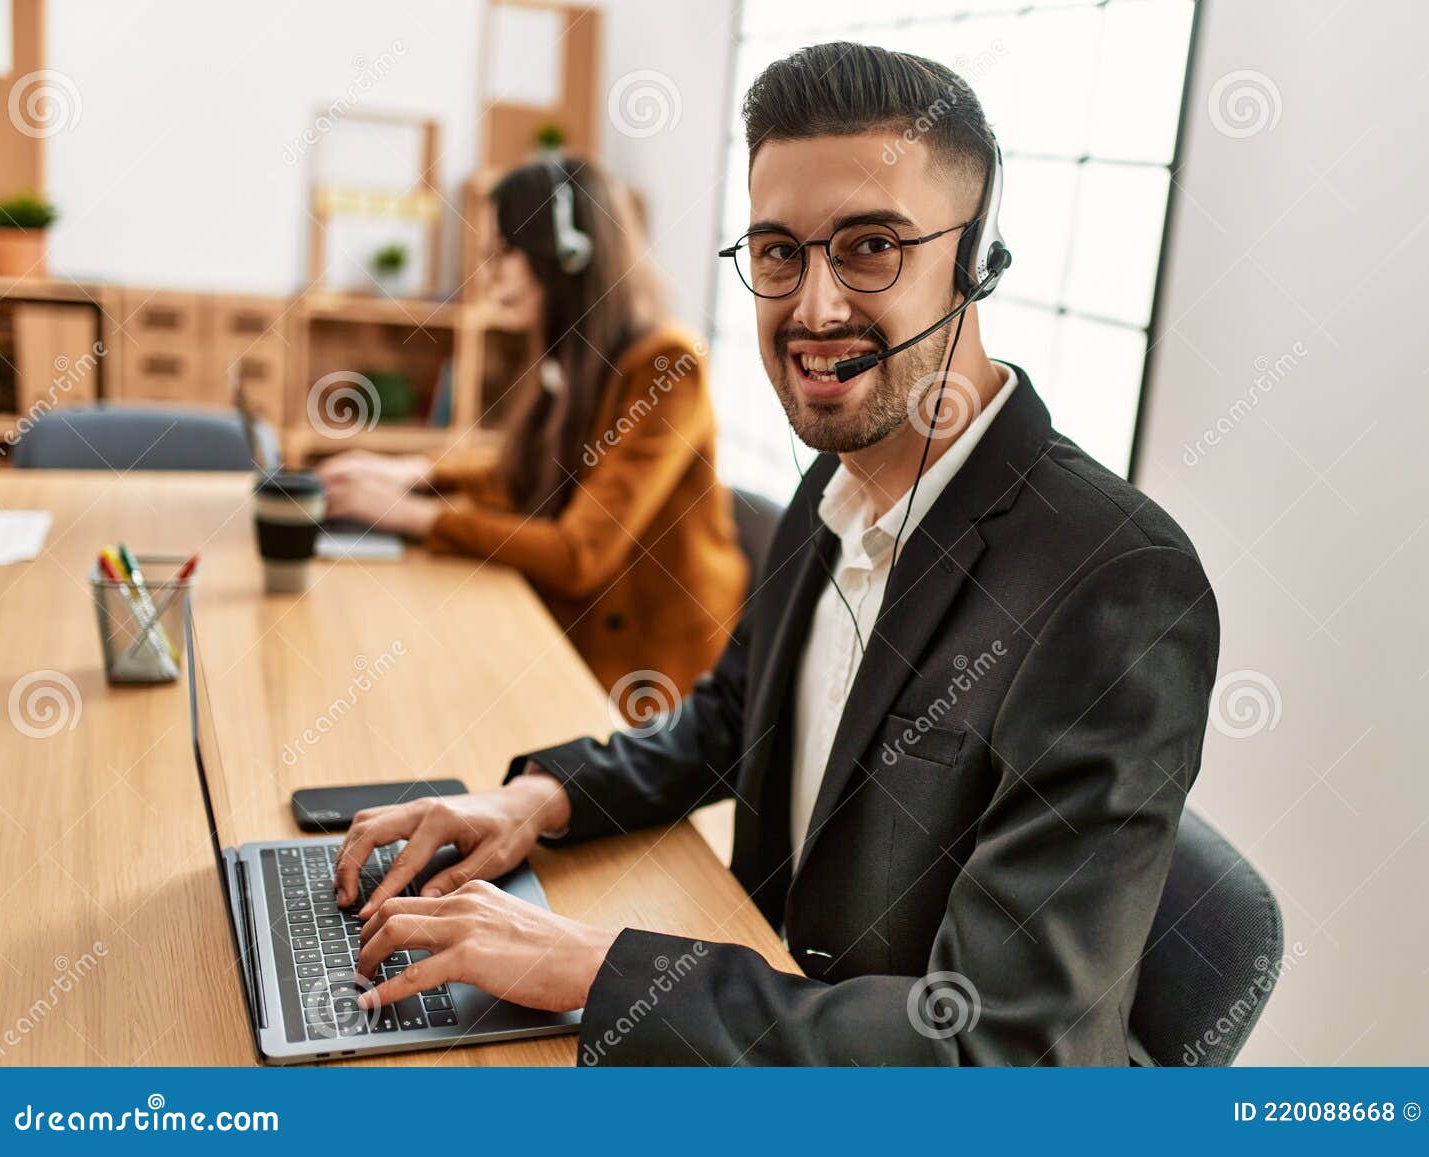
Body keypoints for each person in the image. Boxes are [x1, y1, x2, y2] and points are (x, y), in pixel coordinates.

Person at [334, 43, 1221, 1066]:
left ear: (975, 259)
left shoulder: (1113, 583)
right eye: (777, 250)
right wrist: (531, 799)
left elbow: (1002, 1051)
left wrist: (594, 964)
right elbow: (730, 716)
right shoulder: (837, 481)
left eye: (871, 246)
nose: (813, 307)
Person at [318, 157, 746, 708]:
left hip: (644, 669)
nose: (489, 275)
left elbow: (579, 553)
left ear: (568, 257)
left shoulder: (667, 368)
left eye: (504, 253)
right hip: (575, 624)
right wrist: (414, 473)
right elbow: (523, 473)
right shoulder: (571, 357)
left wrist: (411, 514)